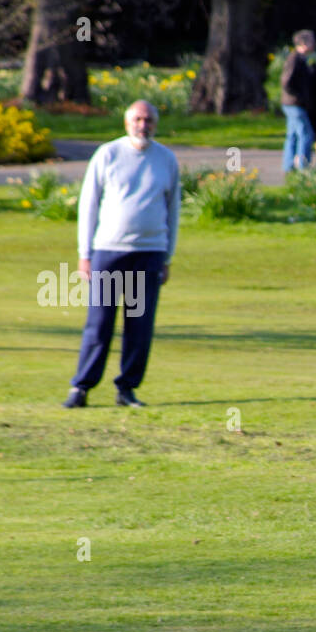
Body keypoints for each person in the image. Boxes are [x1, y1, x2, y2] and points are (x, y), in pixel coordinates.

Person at [63, 100, 179, 409]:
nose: (144, 125)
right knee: (99, 323)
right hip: (108, 251)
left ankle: (127, 388)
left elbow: (173, 211)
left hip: (149, 252)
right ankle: (81, 387)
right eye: (138, 119)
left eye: (149, 120)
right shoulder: (108, 154)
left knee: (139, 326)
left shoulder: (166, 159)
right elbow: (88, 205)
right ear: (127, 122)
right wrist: (84, 253)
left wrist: (167, 256)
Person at [281, 30, 316, 172]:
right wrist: (299, 96)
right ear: (303, 43)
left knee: (292, 135)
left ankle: (288, 166)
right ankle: (304, 167)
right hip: (295, 103)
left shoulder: (300, 59)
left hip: (292, 103)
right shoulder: (295, 59)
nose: (314, 44)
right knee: (306, 134)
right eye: (311, 41)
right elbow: (286, 81)